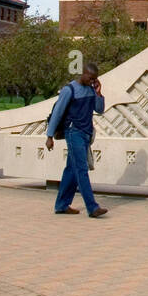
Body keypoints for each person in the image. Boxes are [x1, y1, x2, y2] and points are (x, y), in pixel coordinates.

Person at [44, 62, 108, 218]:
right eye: (91, 78)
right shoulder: (69, 90)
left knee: (72, 170)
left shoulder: (91, 90)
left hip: (86, 134)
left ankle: (61, 205)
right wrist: (49, 136)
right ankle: (92, 207)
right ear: (83, 74)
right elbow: (58, 112)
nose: (92, 81)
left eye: (95, 79)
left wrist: (99, 93)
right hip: (74, 133)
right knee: (81, 169)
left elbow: (99, 109)